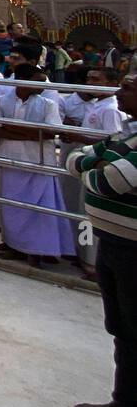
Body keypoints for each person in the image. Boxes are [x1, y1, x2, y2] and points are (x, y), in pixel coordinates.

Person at [67, 70, 137, 407]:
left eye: (127, 87)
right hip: (115, 242)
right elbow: (76, 160)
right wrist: (101, 163)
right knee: (123, 329)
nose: (117, 92)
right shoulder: (127, 136)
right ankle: (124, 404)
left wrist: (98, 165)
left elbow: (109, 179)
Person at [0, 64, 75, 267]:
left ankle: (38, 251)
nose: (42, 85)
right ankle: (14, 245)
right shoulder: (1, 101)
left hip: (40, 161)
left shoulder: (48, 104)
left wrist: (16, 129)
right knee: (13, 206)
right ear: (22, 80)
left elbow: (49, 133)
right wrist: (30, 133)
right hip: (11, 158)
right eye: (38, 80)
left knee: (40, 208)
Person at [60, 68, 125, 277]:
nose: (90, 82)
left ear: (112, 83)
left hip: (98, 168)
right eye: (88, 78)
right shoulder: (98, 104)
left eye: (96, 79)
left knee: (92, 219)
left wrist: (79, 138)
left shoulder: (111, 109)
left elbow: (113, 142)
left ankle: (93, 264)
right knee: (83, 212)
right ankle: (83, 254)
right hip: (87, 166)